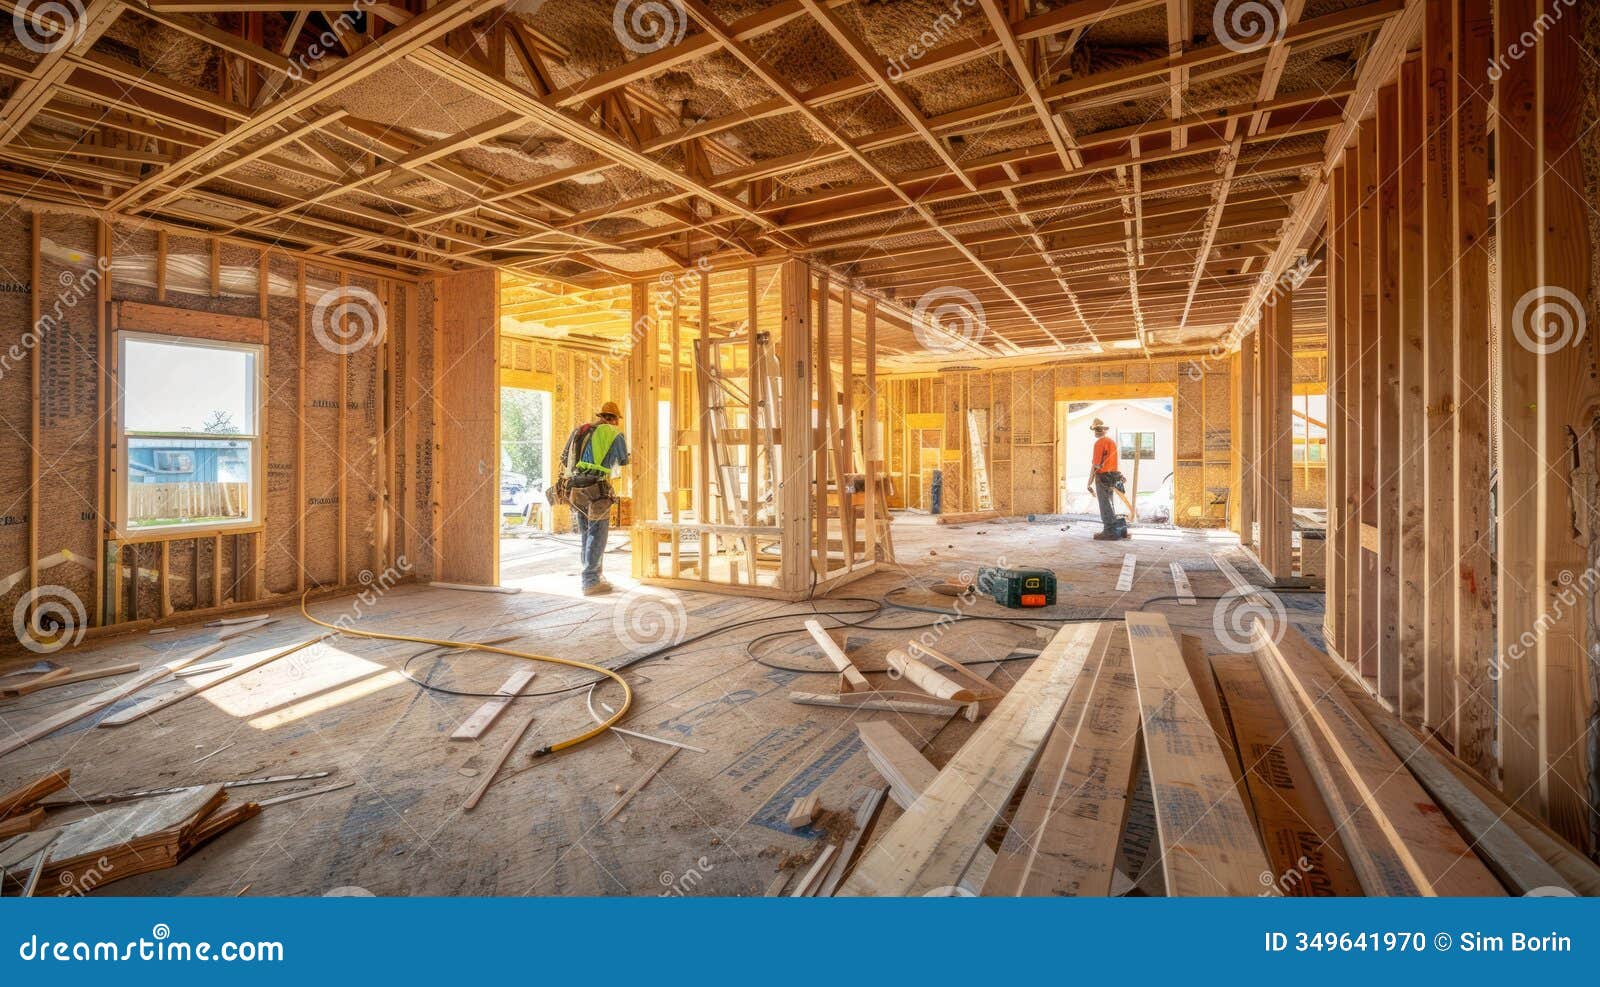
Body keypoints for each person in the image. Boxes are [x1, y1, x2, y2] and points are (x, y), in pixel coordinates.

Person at [560, 401, 630, 595]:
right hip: (596, 490)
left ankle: (594, 576)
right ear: (614, 419)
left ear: (601, 415)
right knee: (598, 534)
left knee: (587, 534)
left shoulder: (579, 431)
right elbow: (623, 460)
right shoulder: (614, 433)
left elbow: (565, 458)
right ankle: (590, 581)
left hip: (576, 488)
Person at [1086, 417, 1128, 540]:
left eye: (1096, 429)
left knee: (1105, 504)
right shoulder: (1111, 442)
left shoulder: (1099, 443)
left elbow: (1097, 464)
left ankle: (1109, 531)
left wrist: (1089, 482)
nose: (1096, 432)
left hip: (1103, 476)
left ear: (1097, 430)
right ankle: (1120, 529)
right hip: (1112, 476)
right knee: (1110, 503)